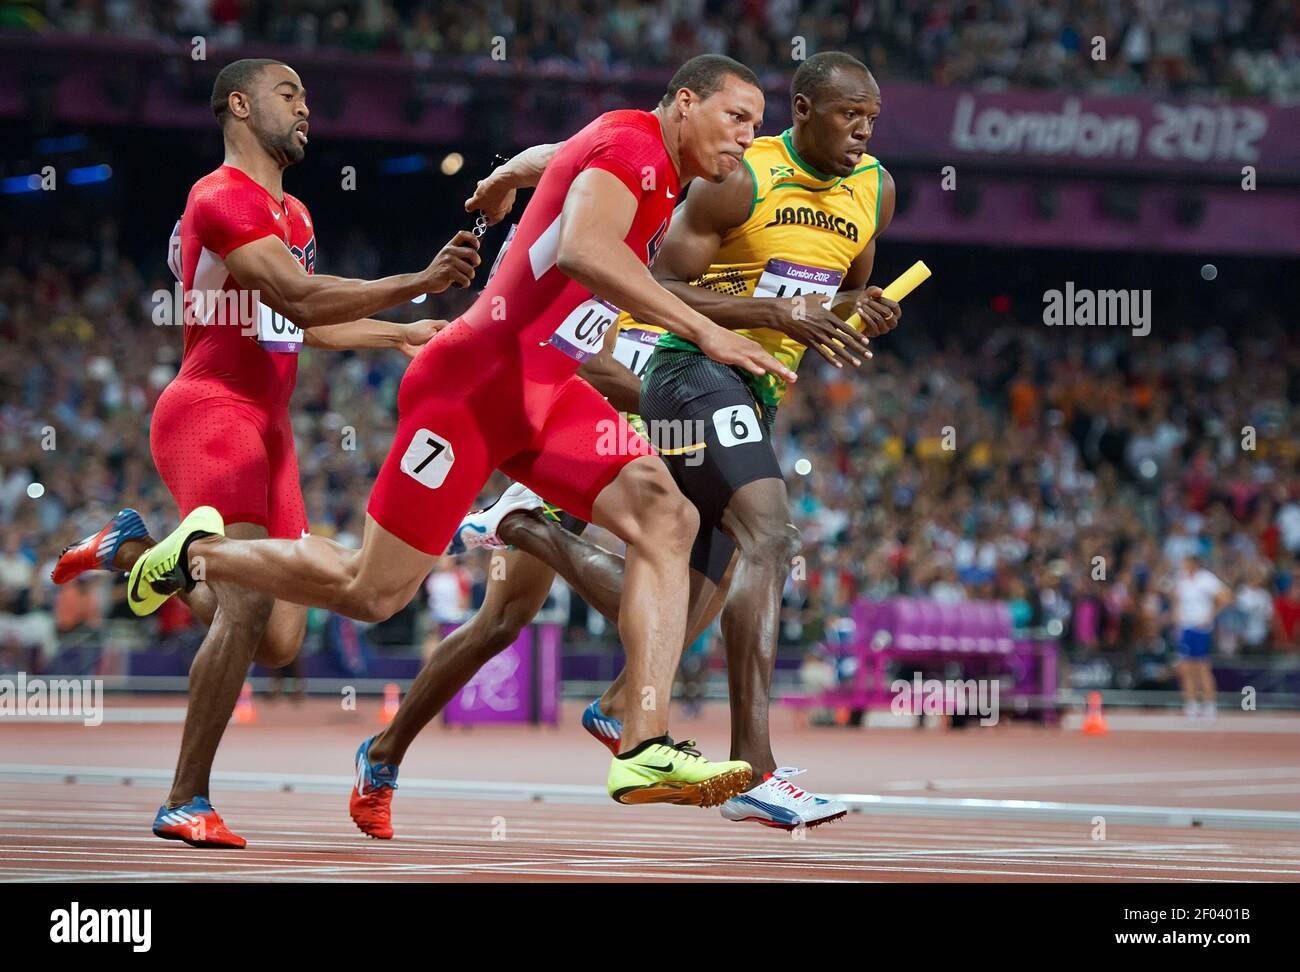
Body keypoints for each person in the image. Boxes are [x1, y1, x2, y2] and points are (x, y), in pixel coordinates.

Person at [131, 54, 795, 830]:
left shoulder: (637, 152)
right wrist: (706, 328)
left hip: (546, 395)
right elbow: (585, 247)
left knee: (666, 517)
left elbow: (560, 157)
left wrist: (505, 178)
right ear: (686, 104)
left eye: (757, 123)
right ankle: (194, 558)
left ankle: (643, 741)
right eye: (737, 117)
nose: (748, 137)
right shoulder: (636, 147)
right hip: (472, 390)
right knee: (370, 593)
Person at [360, 51, 900, 834]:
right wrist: (736, 327)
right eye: (850, 114)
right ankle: (394, 745)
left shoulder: (848, 189)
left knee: (678, 596)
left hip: (641, 415)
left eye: (873, 121)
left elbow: (568, 159)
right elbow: (634, 285)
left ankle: (586, 665)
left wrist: (852, 309)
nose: (863, 132)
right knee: (512, 618)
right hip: (610, 404)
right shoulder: (711, 182)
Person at [51, 57, 475, 848]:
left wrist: (401, 334)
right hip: (210, 411)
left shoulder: (298, 216)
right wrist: (416, 282)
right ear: (238, 105)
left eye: (308, 97)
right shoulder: (218, 198)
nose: (306, 109)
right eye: (291, 96)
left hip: (271, 429)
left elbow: (302, 326)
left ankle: (134, 549)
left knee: (279, 638)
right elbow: (298, 295)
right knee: (244, 604)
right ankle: (185, 798)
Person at [1170, 554, 1232, 719]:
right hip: (1185, 627)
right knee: (1185, 668)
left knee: (1201, 667)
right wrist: (1176, 617)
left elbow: (1226, 596)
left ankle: (1209, 704)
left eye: (1186, 563)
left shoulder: (1206, 579)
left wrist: (1210, 615)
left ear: (1194, 564)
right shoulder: (1181, 578)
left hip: (1200, 628)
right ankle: (1191, 705)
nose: (1184, 566)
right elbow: (1176, 599)